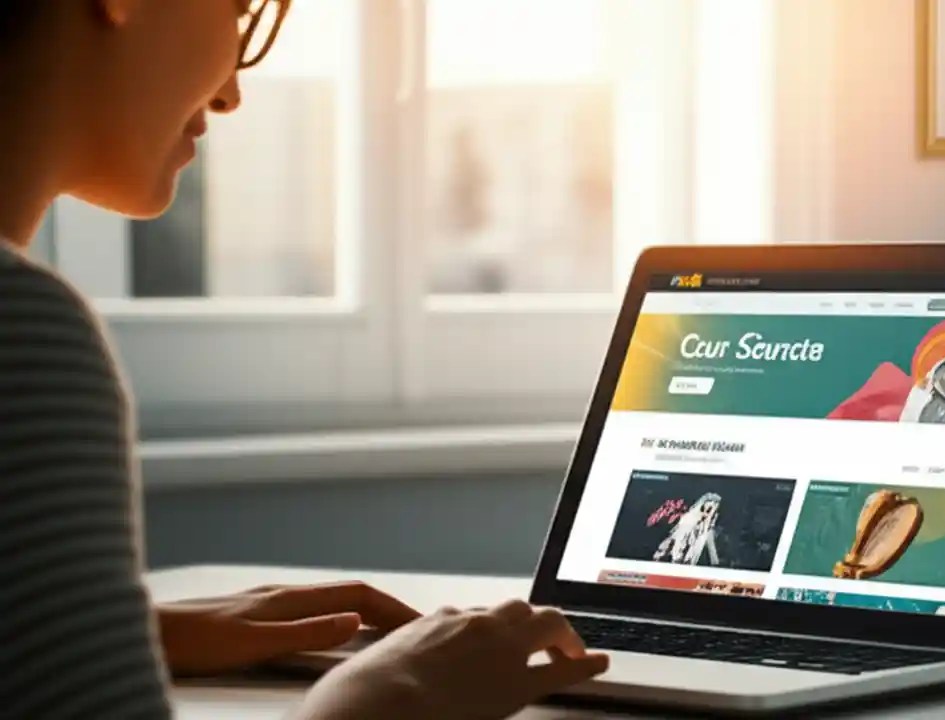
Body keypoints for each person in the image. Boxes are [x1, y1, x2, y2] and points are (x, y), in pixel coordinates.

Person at [0, 1, 609, 718]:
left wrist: (98, 636)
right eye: (237, 9)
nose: (230, 92)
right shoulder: (24, 331)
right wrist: (386, 700)